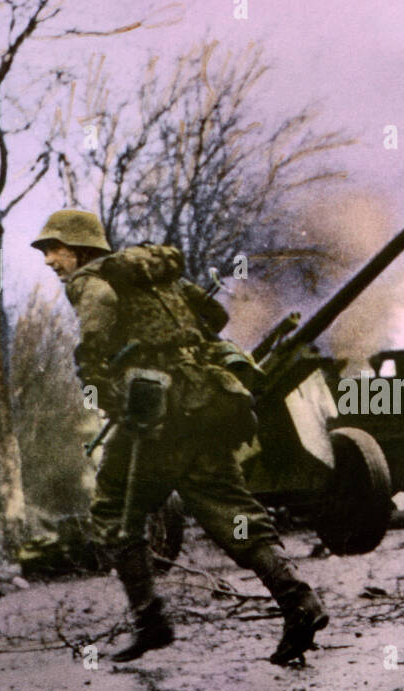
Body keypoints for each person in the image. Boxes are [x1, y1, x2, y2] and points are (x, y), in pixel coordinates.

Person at [32, 209, 328, 665]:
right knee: (234, 510)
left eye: (54, 249)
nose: (50, 260)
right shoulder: (153, 273)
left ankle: (151, 622)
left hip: (157, 417)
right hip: (206, 404)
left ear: (80, 248)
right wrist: (175, 341)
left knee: (113, 508)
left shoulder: (92, 282)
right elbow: (215, 313)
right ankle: (299, 601)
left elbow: (91, 349)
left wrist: (109, 392)